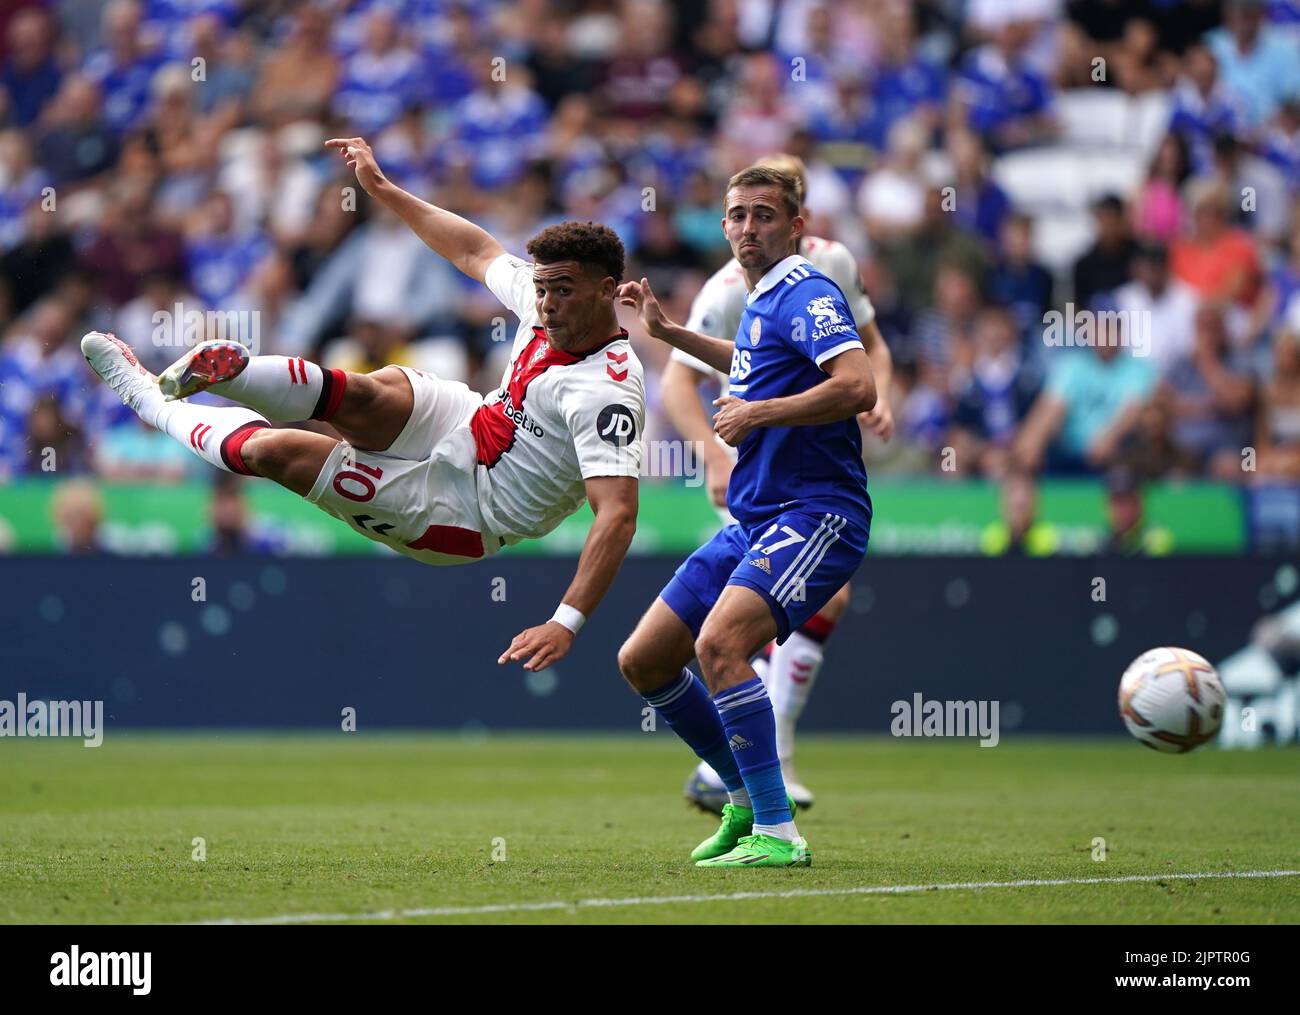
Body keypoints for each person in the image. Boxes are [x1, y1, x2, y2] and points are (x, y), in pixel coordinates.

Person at [81, 135, 645, 673]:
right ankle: (235, 371)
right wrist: (383, 189)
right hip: (471, 422)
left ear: (607, 290)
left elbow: (617, 513)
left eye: (562, 292)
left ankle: (152, 402)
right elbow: (475, 249)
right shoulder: (548, 298)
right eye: (542, 289)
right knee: (370, 392)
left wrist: (566, 621)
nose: (545, 305)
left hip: (466, 509)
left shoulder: (607, 392)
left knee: (280, 450)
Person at [617, 166, 876, 868]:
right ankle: (740, 793)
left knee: (721, 645)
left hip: (817, 510)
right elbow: (750, 362)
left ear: (796, 226)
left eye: (765, 215)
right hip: (757, 518)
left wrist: (759, 412)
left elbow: (858, 383)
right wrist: (672, 333)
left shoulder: (809, 289)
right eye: (737, 215)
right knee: (643, 659)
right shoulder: (758, 299)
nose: (748, 227)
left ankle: (777, 830)